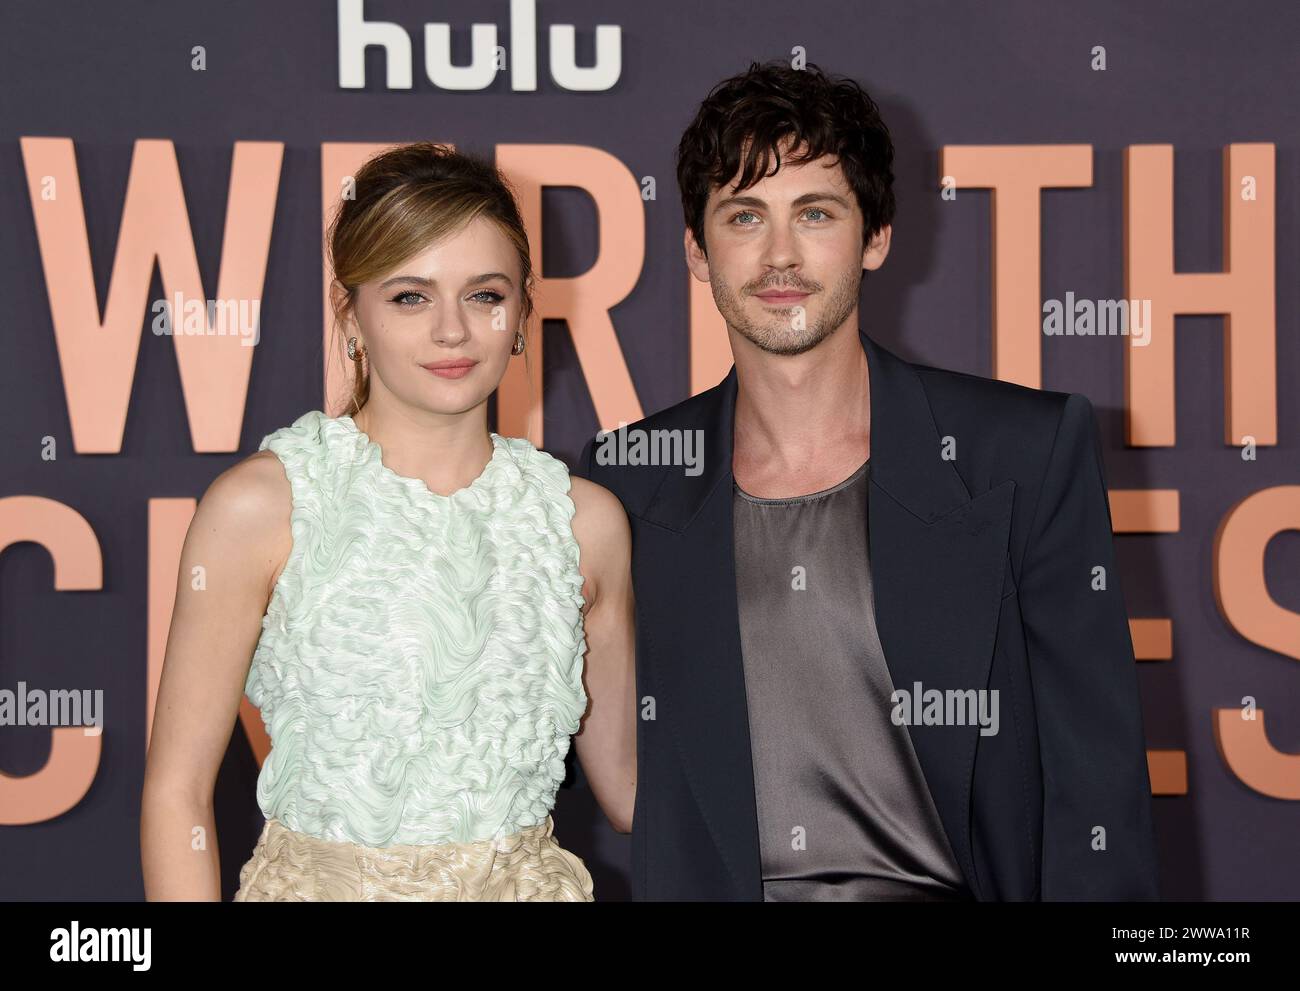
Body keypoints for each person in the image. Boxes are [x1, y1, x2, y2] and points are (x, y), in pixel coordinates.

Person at [576, 61, 1158, 901]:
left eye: (815, 213)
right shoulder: (627, 483)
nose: (780, 255)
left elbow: (1095, 791)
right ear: (698, 252)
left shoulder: (1021, 454)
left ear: (875, 236)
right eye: (745, 216)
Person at [141, 142, 636, 902]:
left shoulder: (582, 522)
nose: (452, 331)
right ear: (352, 313)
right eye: (410, 296)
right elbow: (177, 794)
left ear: (523, 313)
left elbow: (632, 788)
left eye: (485, 294)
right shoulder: (260, 508)